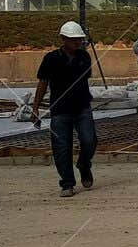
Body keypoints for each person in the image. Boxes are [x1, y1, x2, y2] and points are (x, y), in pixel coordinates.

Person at [30, 20, 97, 198]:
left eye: (79, 40)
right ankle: (67, 183)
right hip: (60, 110)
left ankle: (84, 165)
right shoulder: (51, 59)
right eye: (73, 39)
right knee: (61, 148)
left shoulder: (84, 57)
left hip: (82, 108)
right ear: (63, 39)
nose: (77, 43)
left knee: (89, 141)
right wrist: (35, 108)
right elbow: (42, 83)